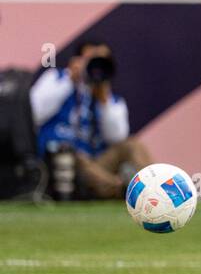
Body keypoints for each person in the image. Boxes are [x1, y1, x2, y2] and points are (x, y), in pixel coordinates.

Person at [29, 39, 152, 199]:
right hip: (60, 161)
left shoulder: (111, 99)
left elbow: (117, 136)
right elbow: (34, 113)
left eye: (102, 61)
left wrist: (103, 99)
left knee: (132, 145)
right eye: (91, 59)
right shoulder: (56, 78)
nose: (95, 66)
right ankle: (122, 190)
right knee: (72, 155)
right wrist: (70, 79)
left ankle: (154, 187)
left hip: (96, 163)